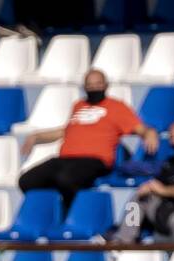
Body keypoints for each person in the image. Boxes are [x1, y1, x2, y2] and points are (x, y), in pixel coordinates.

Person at [20, 69, 159, 215]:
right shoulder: (78, 105)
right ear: (84, 87)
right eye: (90, 84)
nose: (94, 88)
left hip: (95, 160)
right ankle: (47, 215)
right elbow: (66, 131)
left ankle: (72, 216)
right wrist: (36, 137)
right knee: (27, 181)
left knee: (66, 179)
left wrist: (150, 133)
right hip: (64, 159)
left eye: (98, 84)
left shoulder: (117, 107)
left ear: (106, 85)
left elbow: (140, 128)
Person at [110, 120, 174, 245]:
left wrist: (163, 191)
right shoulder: (170, 163)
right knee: (139, 198)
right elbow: (159, 182)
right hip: (166, 207)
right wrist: (149, 187)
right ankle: (123, 241)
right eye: (172, 137)